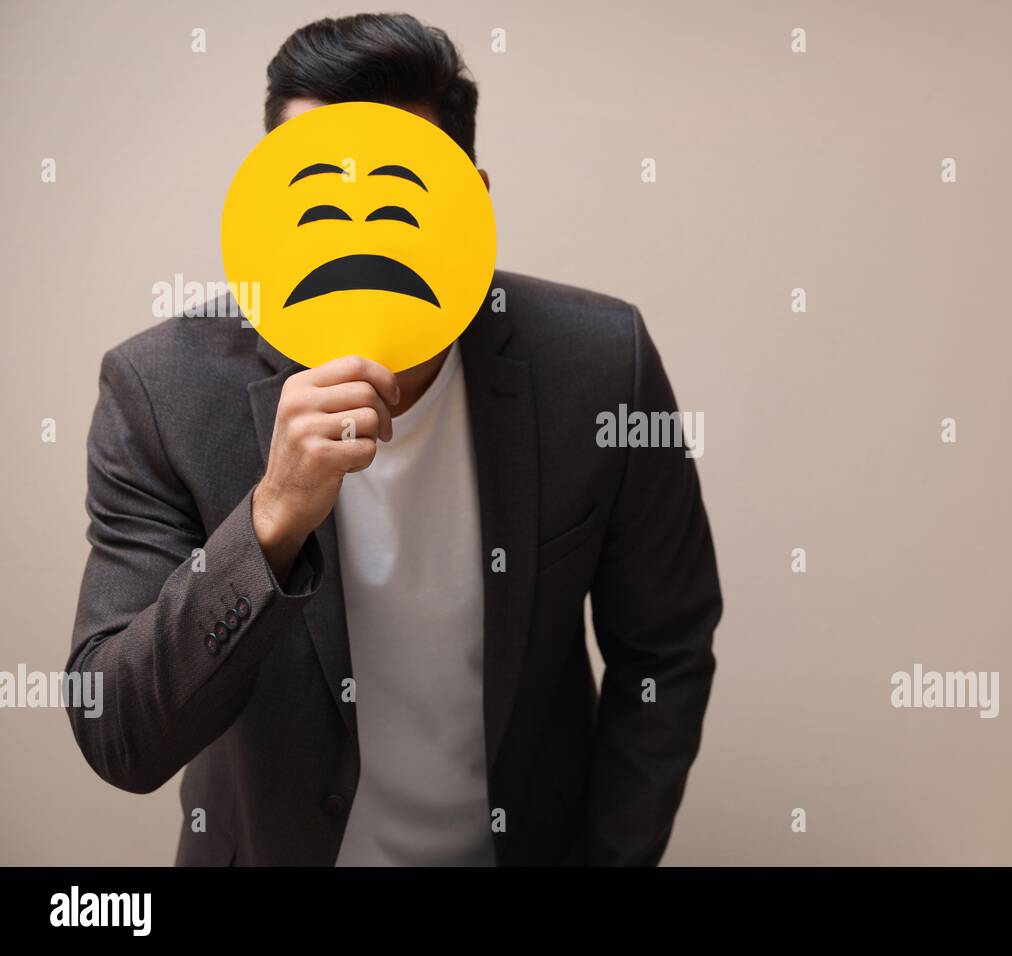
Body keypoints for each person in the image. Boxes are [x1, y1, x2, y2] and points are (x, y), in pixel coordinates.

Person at [65, 12, 721, 866]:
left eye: (399, 198)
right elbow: (118, 735)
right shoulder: (160, 391)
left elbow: (665, 650)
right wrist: (270, 523)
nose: (359, 237)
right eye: (320, 199)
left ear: (472, 204)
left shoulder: (603, 366)